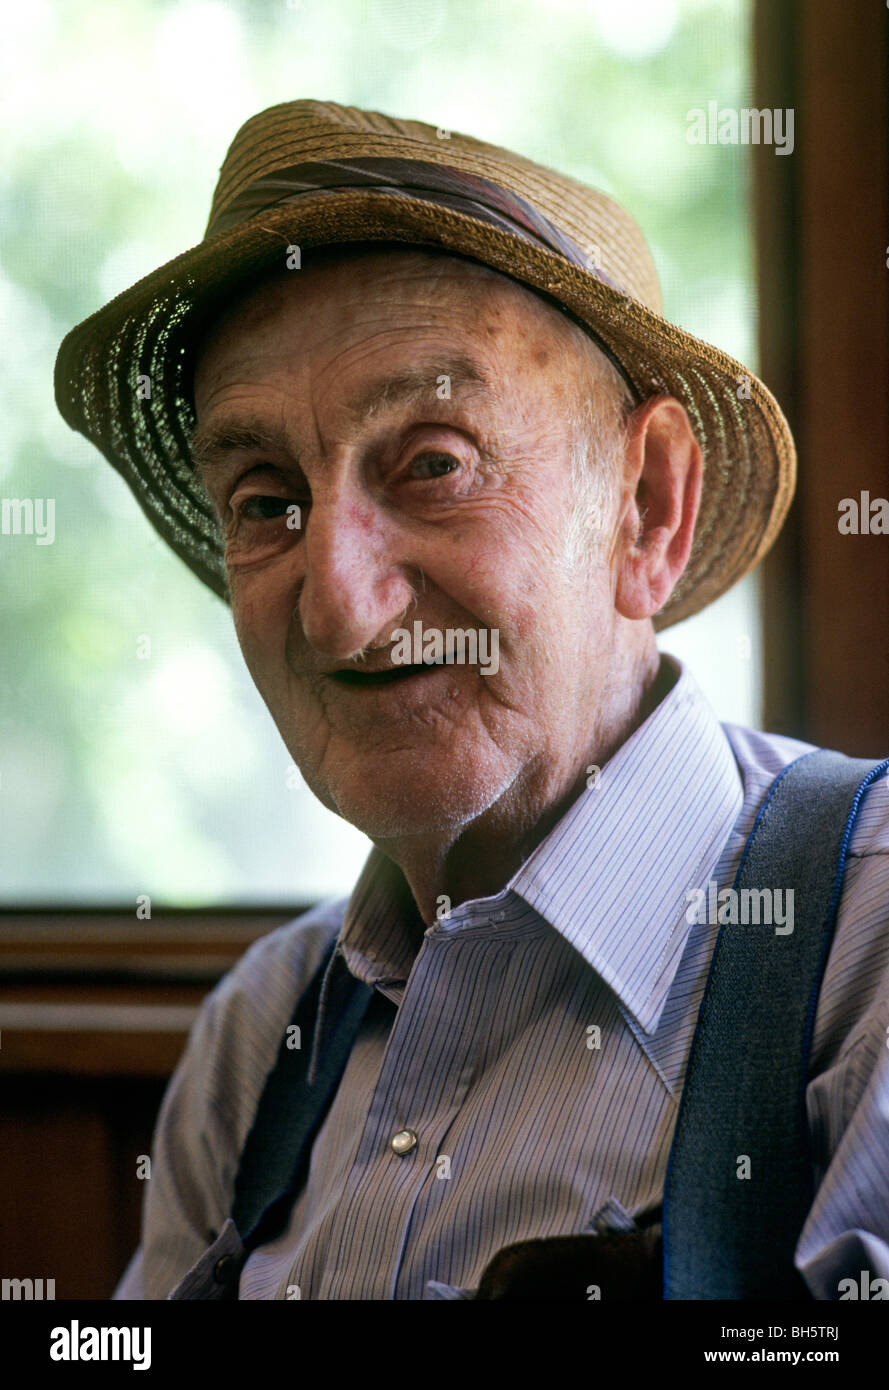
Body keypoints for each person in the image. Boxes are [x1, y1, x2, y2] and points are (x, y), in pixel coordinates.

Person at [54, 99, 889, 1301]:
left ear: (646, 505)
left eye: (433, 462)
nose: (335, 608)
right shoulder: (262, 1039)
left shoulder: (863, 953)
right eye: (264, 499)